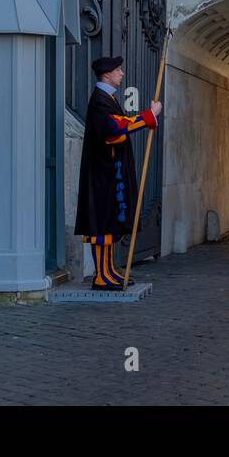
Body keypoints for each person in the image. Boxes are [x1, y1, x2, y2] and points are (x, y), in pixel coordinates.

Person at [75, 55, 161, 290]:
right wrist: (149, 116)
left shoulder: (107, 98)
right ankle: (101, 275)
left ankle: (109, 270)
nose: (122, 74)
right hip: (102, 176)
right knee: (102, 224)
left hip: (111, 174)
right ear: (107, 74)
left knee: (110, 223)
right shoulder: (100, 101)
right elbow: (116, 127)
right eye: (118, 70)